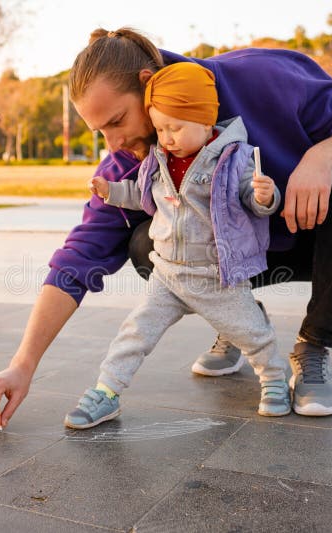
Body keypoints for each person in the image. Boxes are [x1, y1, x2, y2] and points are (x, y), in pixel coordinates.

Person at [0, 27, 332, 429]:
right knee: (144, 243)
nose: (113, 142)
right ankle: (237, 320)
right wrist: (22, 365)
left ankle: (313, 346)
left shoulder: (261, 77)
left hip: (309, 236)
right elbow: (77, 259)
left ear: (147, 83)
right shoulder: (127, 159)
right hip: (226, 268)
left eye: (117, 120)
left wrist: (320, 158)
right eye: (100, 131)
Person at [64, 62, 289, 429]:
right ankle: (106, 391)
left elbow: (254, 200)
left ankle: (274, 380)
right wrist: (114, 192)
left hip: (216, 276)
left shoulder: (236, 159)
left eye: (175, 127)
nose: (166, 137)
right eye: (160, 128)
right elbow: (141, 193)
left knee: (252, 334)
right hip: (167, 275)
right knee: (134, 333)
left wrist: (266, 196)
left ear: (204, 119)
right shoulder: (159, 159)